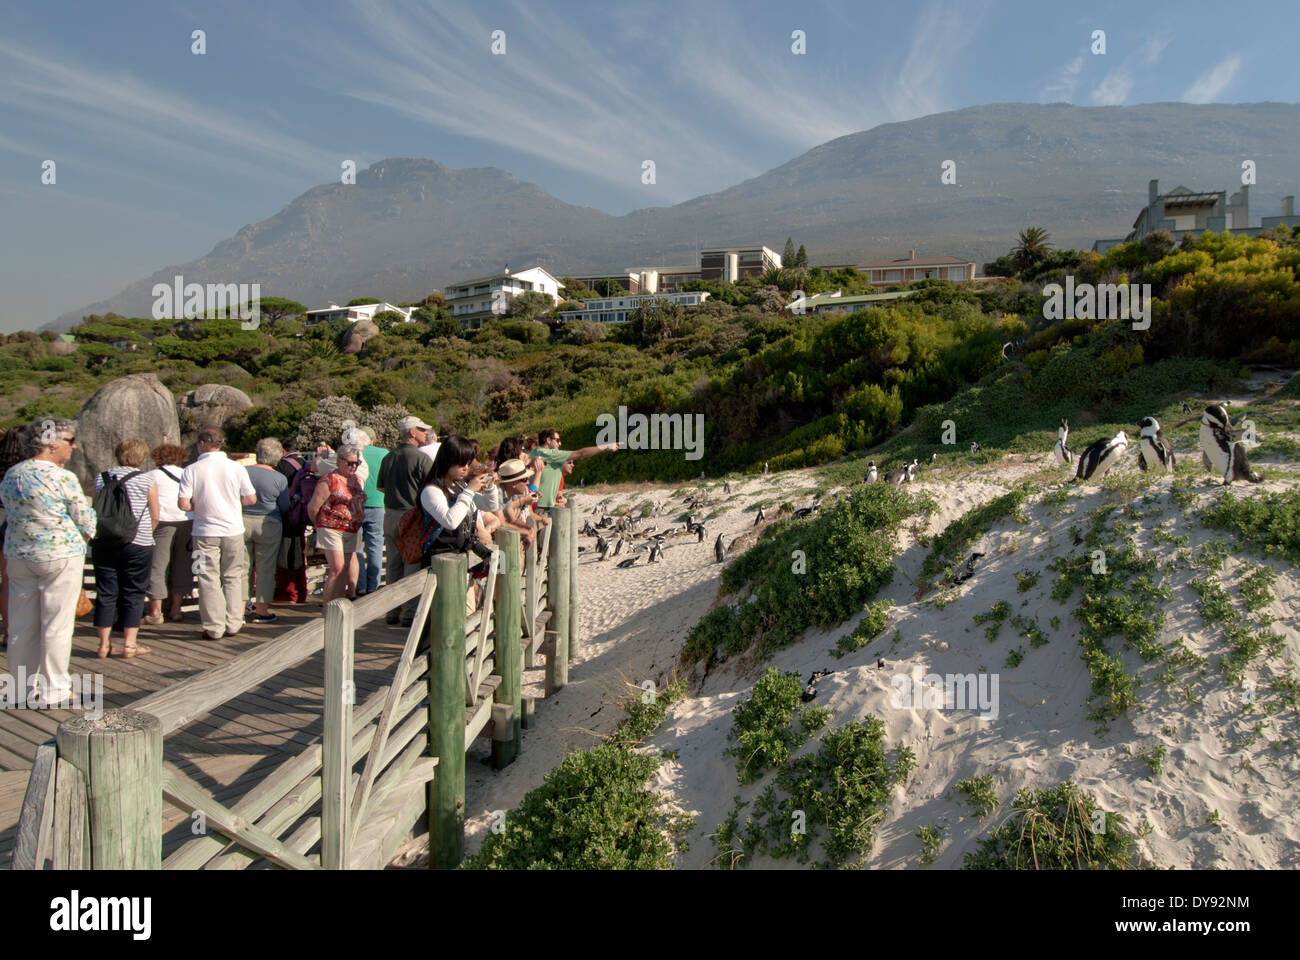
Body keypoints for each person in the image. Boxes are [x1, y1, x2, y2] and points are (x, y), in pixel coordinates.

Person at [0, 417, 95, 706]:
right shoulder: (62, 477)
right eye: (69, 441)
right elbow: (84, 517)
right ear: (51, 443)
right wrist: (86, 535)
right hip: (60, 555)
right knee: (56, 624)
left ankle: (20, 688)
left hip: (19, 554)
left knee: (20, 625)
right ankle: (55, 688)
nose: (73, 446)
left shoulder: (12, 474)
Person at [178, 427, 257, 641]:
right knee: (233, 575)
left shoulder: (191, 470)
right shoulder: (237, 468)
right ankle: (233, 623)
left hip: (204, 531)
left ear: (202, 443)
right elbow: (250, 499)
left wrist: (199, 503)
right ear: (221, 443)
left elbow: (183, 504)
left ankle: (214, 626)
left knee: (207, 577)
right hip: (233, 529)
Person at [91, 438, 159, 658]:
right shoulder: (146, 479)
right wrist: (144, 531)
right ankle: (129, 645)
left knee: (106, 592)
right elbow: (155, 515)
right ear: (141, 456)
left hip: (105, 541)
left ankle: (103, 644)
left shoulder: (101, 478)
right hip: (137, 543)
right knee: (134, 592)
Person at [418, 436, 491, 615]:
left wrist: (490, 488)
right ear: (446, 461)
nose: (465, 468)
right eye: (460, 463)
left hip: (463, 560)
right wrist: (468, 492)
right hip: (441, 563)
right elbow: (450, 521)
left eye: (467, 462)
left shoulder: (459, 485)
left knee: (465, 614)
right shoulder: (431, 490)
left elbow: (489, 506)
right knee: (446, 618)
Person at [377, 416, 433, 626]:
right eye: (421, 429)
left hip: (390, 514)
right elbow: (431, 488)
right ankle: (408, 614)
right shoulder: (420, 458)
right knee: (412, 564)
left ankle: (392, 611)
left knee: (392, 565)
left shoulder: (388, 457)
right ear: (412, 432)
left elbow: (381, 487)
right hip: (411, 516)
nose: (425, 433)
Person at [307, 442, 365, 603]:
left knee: (345, 569)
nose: (353, 467)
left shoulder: (356, 480)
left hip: (351, 529)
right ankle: (327, 608)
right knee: (337, 567)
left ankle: (337, 604)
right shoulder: (329, 480)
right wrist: (320, 525)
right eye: (350, 463)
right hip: (331, 527)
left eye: (356, 463)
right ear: (339, 461)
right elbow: (313, 507)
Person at [143, 443, 193, 625]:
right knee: (182, 565)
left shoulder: (151, 475)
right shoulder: (187, 473)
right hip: (187, 522)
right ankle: (176, 608)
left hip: (162, 522)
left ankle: (156, 610)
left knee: (158, 566)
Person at [244, 437, 290, 624]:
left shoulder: (243, 472)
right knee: (266, 568)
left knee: (241, 568)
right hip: (269, 523)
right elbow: (285, 506)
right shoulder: (279, 478)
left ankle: (239, 610)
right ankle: (262, 611)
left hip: (242, 520)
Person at [528, 428, 618, 512]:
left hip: (532, 504)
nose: (560, 444)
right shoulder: (550, 454)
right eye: (557, 440)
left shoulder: (535, 452)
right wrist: (605, 447)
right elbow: (581, 453)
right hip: (542, 508)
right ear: (548, 440)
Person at [0, 425, 28, 647]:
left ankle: (8, 633)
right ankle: (19, 633)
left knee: (6, 581)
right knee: (18, 580)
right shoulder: (25, 472)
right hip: (16, 527)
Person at [274, 444, 312, 603]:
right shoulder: (307, 464)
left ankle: (287, 593)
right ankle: (301, 591)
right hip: (302, 515)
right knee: (299, 552)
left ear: (283, 450)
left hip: (287, 516)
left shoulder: (282, 466)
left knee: (284, 554)